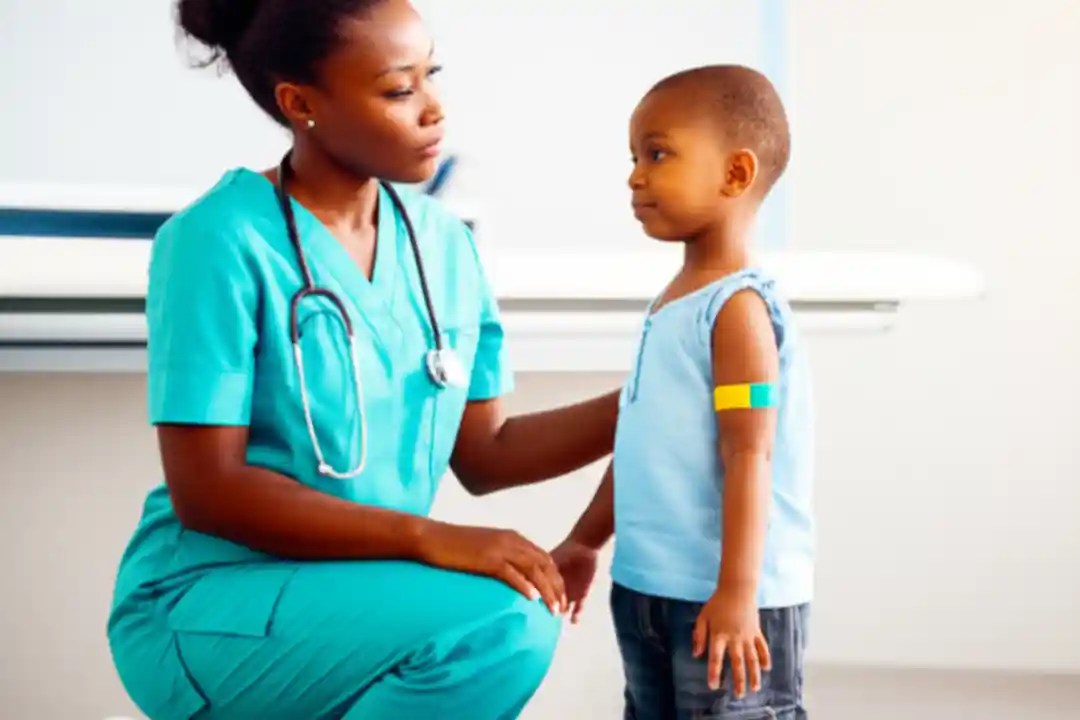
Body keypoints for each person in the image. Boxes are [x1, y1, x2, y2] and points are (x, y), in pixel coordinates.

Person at [105, 1, 619, 718]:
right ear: (301, 102)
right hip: (211, 599)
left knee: (508, 611)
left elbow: (487, 453)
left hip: (357, 593)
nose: (434, 109)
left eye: (431, 76)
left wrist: (642, 404)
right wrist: (427, 537)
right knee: (500, 622)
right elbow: (208, 491)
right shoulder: (216, 240)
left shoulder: (446, 247)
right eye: (399, 89)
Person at [550, 65, 815, 719]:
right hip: (647, 590)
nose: (636, 175)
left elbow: (748, 456)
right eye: (635, 157)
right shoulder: (671, 307)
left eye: (658, 154)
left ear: (735, 174)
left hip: (724, 598)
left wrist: (737, 591)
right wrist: (586, 540)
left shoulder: (737, 312)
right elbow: (639, 440)